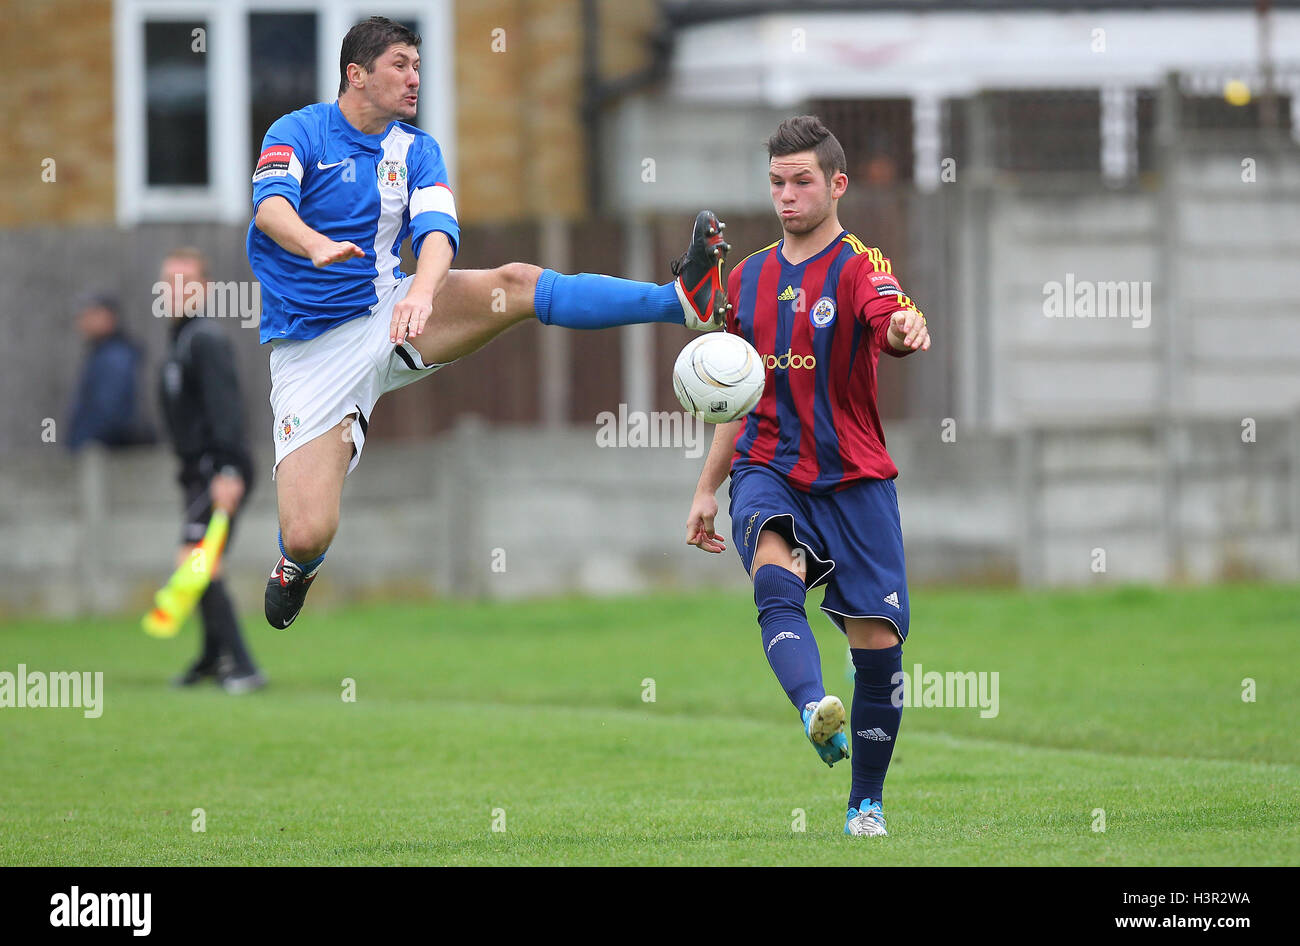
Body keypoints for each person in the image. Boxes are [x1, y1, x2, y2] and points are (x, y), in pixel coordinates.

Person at [250, 17, 729, 629]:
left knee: (517, 284)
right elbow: (270, 208)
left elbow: (438, 235)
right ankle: (296, 565)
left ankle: (680, 302)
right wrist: (315, 244)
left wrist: (421, 293)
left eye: (418, 66)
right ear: (356, 74)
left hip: (387, 313)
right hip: (310, 354)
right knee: (311, 530)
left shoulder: (417, 150)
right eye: (400, 64)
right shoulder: (298, 131)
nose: (414, 78)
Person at [684, 116, 931, 837]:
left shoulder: (860, 265)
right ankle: (811, 705)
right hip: (771, 468)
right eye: (776, 183)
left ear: (836, 185)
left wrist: (904, 331)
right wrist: (707, 488)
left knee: (879, 652)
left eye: (801, 182)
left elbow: (889, 317)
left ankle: (865, 805)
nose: (786, 196)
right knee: (773, 573)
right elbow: (735, 393)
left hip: (855, 479)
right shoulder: (749, 277)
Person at [156, 247, 265, 694]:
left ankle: (242, 666)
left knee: (197, 564)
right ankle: (209, 658)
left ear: (203, 290)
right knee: (201, 564)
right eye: (168, 282)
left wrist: (225, 470)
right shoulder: (179, 340)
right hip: (196, 473)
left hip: (218, 471)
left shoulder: (206, 339)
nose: (175, 290)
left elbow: (227, 410)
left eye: (185, 282)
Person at [67, 294, 154, 450]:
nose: (82, 323)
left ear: (107, 317)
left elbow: (109, 410)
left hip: (106, 455)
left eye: (90, 315)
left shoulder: (115, 357)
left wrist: (85, 443)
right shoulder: (103, 354)